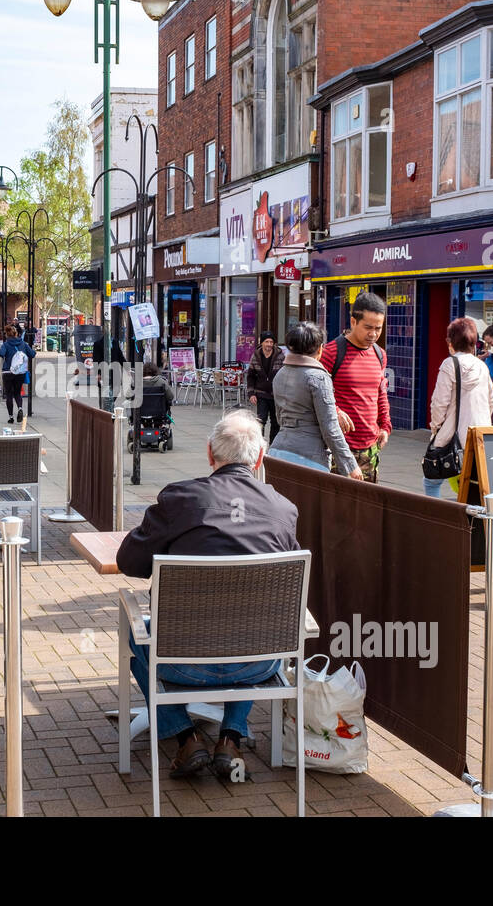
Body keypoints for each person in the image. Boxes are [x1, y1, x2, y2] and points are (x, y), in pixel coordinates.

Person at [116, 409, 300, 781]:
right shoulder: (284, 509)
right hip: (259, 663)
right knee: (256, 627)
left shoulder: (182, 498)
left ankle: (186, 737)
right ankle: (230, 736)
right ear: (260, 458)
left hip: (179, 660)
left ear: (210, 454)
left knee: (134, 628)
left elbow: (129, 561)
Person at [268, 322, 360, 479]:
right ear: (320, 349)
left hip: (277, 452)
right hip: (309, 458)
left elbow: (279, 418)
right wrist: (350, 465)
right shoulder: (318, 377)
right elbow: (330, 428)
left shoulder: (280, 374)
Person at [320, 292, 391, 483]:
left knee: (367, 508)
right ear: (353, 321)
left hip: (370, 448)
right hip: (340, 449)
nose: (374, 334)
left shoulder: (379, 354)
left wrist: (385, 426)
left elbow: (380, 393)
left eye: (378, 328)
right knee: (338, 507)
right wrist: (335, 410)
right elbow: (315, 394)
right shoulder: (332, 352)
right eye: (368, 327)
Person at [425, 318, 493, 498]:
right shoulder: (481, 366)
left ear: (451, 341)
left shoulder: (449, 365)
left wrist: (436, 428)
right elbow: (491, 400)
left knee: (432, 479)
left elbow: (439, 403)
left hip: (453, 434)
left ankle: (435, 520)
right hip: (479, 434)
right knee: (472, 483)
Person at [247, 331, 285, 443]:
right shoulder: (256, 356)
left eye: (271, 342)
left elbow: (284, 376)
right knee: (260, 421)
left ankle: (273, 447)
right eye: (267, 341)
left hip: (276, 395)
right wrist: (251, 393)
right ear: (262, 343)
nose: (269, 344)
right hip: (261, 394)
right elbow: (250, 376)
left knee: (276, 421)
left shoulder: (280, 356)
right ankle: (260, 444)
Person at [0, 324, 36, 424]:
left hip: (8, 372)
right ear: (16, 333)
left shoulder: (6, 344)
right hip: (20, 372)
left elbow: (1, 353)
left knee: (9, 394)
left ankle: (11, 417)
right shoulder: (23, 344)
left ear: (7, 335)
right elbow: (32, 354)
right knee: (17, 393)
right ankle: (20, 408)